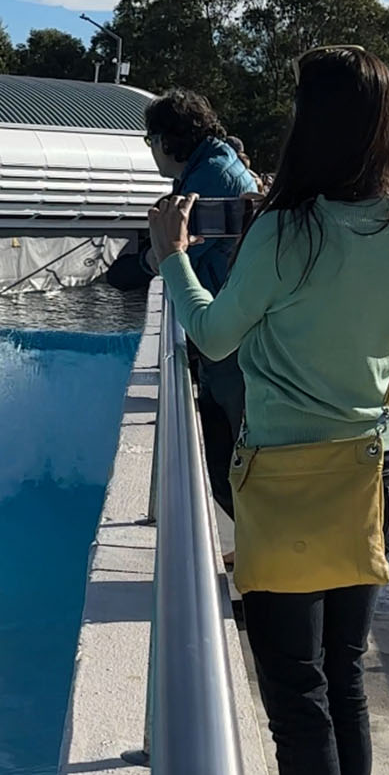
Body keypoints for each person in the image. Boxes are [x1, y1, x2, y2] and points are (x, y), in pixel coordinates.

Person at [149, 45, 389, 775]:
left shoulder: (288, 234)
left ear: (310, 127)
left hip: (286, 481)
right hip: (379, 471)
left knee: (298, 700)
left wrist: (173, 256)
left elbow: (211, 333)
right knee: (344, 678)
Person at [142, 91, 258, 518]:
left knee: (228, 453)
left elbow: (179, 256)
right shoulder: (212, 168)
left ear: (168, 140)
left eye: (150, 138)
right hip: (229, 332)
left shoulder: (208, 180)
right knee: (223, 450)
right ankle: (251, 544)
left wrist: (155, 255)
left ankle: (256, 547)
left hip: (231, 338)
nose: (151, 149)